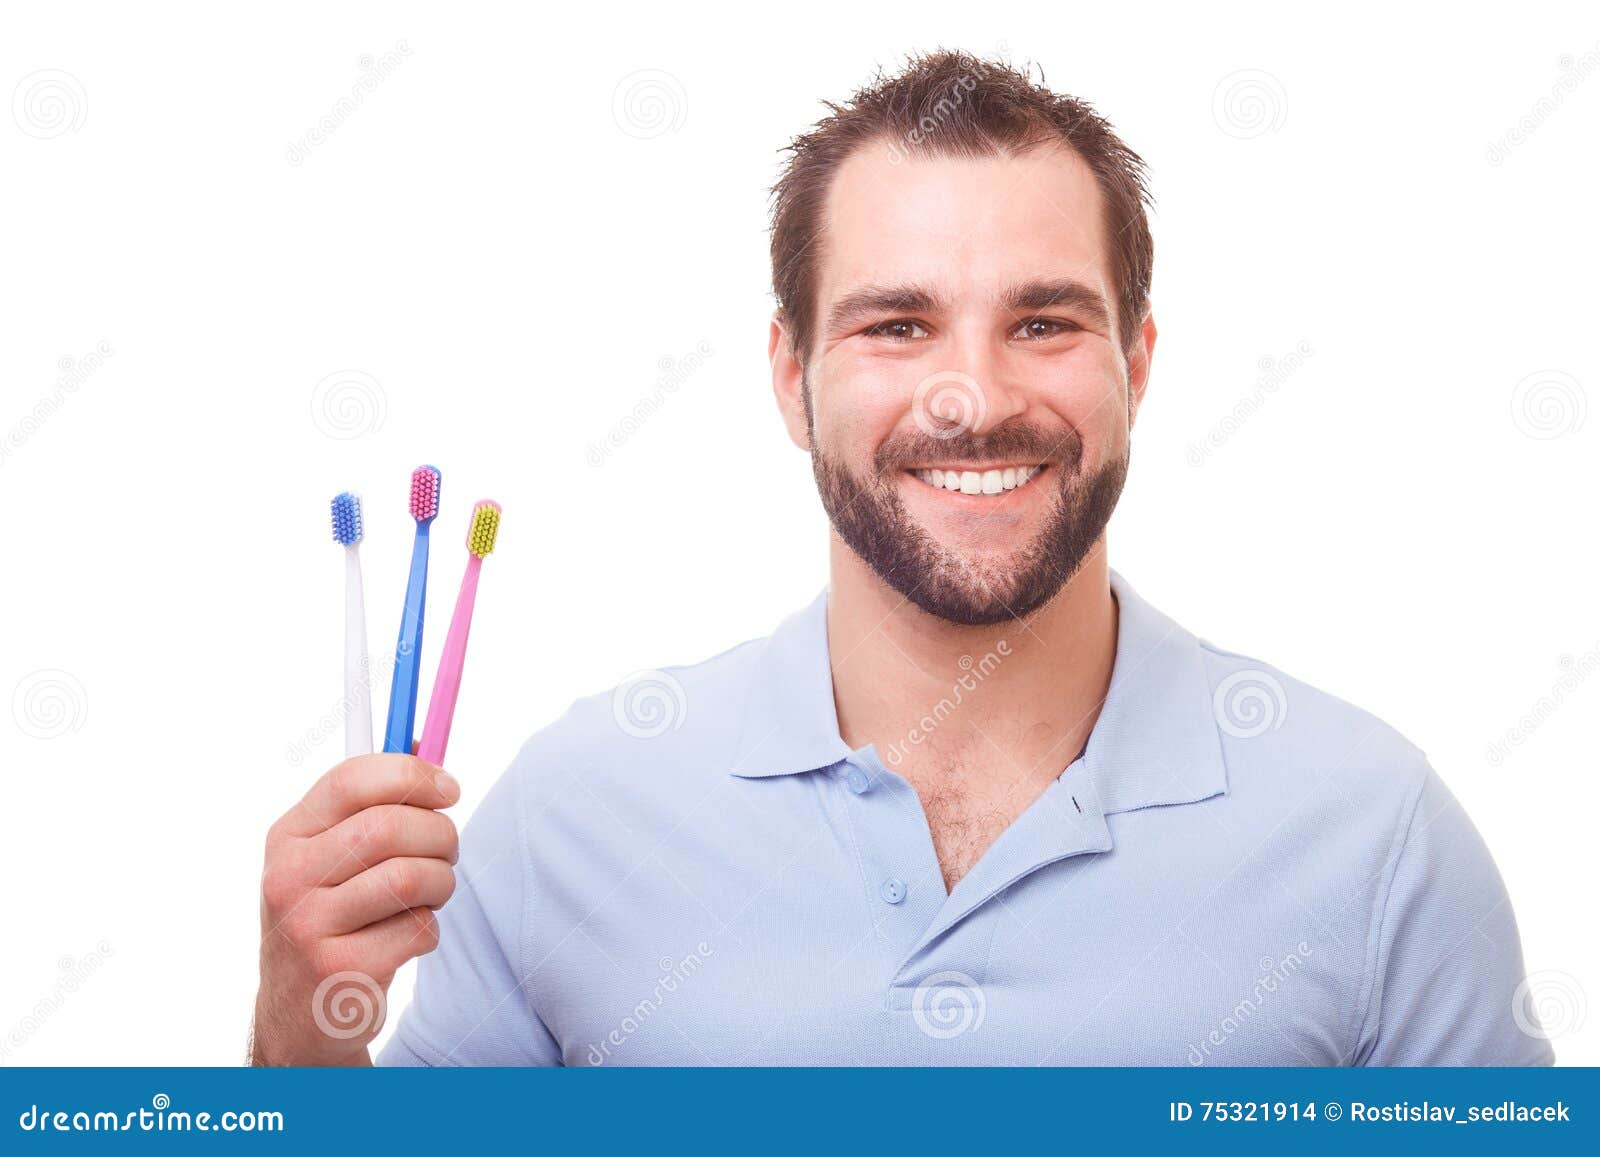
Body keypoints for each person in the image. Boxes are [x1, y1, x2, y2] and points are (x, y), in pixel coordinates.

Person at [251, 50, 1552, 1067]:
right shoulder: (568, 820)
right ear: (791, 376)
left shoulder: (1377, 839)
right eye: (897, 325)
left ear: (1137, 364)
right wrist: (303, 1029)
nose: (968, 397)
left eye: (1043, 321)